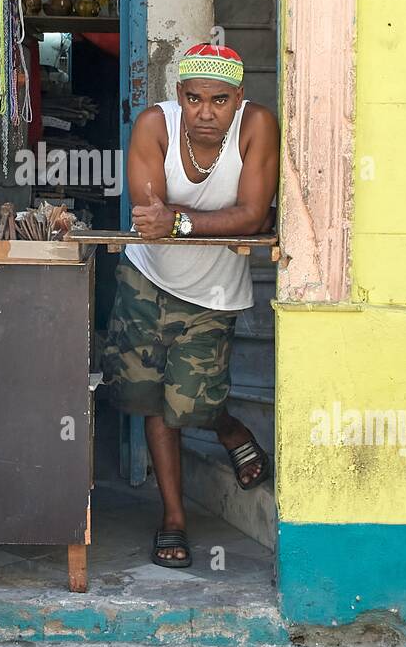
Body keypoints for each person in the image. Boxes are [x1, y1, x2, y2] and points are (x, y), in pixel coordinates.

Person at [101, 44, 280, 567]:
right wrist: (191, 221)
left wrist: (181, 222)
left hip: (214, 292)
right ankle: (173, 517)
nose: (206, 112)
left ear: (238, 98)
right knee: (147, 396)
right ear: (179, 95)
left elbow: (250, 217)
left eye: (220, 100)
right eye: (195, 98)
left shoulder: (257, 127)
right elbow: (148, 217)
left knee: (192, 402)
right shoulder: (156, 125)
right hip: (147, 278)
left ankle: (227, 427)